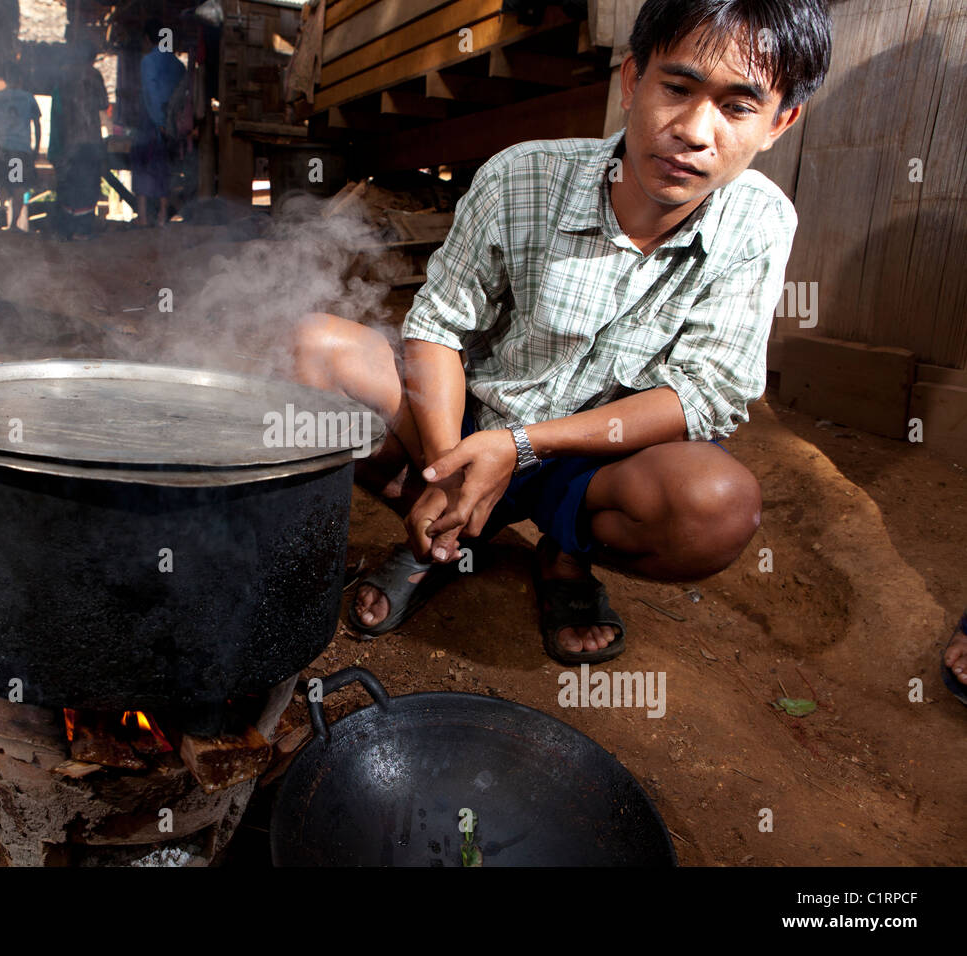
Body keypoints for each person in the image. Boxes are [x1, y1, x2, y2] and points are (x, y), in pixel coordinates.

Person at [290, 0, 833, 664]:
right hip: (467, 423)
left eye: (738, 107)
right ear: (632, 81)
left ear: (781, 122)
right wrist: (450, 466)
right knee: (319, 349)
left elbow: (707, 394)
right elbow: (436, 326)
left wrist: (519, 446)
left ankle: (566, 553)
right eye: (678, 88)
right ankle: (446, 529)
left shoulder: (759, 223)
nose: (694, 130)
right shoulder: (523, 177)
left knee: (713, 504)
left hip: (591, 460)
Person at [50, 41, 109, 239]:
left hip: (70, 139)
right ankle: (82, 229)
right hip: (91, 138)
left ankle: (67, 228)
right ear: (92, 58)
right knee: (88, 183)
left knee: (71, 183)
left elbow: (58, 109)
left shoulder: (65, 76)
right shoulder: (94, 75)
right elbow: (103, 103)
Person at [131, 17, 186, 227]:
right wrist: (170, 123)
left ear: (147, 38)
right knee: (164, 167)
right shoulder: (178, 66)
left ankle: (143, 217)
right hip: (172, 123)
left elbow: (150, 92)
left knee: (143, 164)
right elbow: (182, 96)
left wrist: (159, 121)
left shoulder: (148, 61)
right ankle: (163, 215)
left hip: (152, 121)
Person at [0, 63, 41, 231]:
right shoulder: (29, 98)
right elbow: (37, 124)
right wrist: (36, 148)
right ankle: (13, 225)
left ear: (6, 78)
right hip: (19, 151)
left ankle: (2, 208)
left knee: (1, 183)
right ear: (21, 79)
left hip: (2, 150)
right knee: (17, 186)